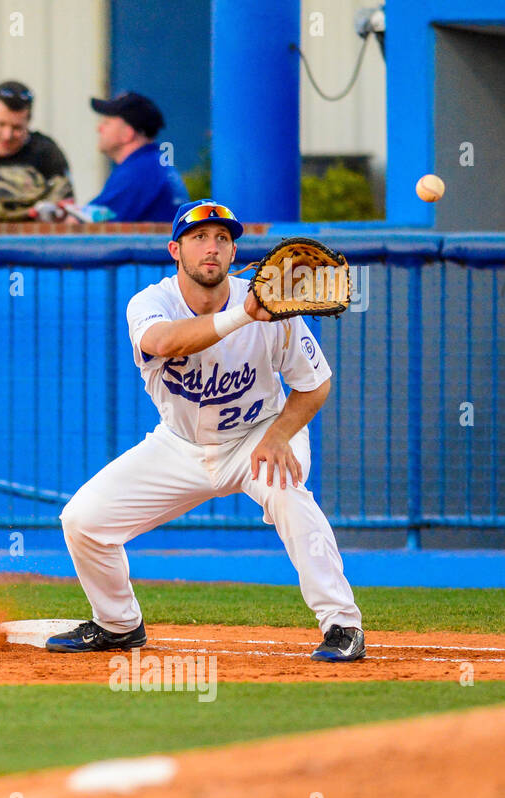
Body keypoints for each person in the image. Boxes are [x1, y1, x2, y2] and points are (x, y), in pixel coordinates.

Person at [48, 199, 365, 662]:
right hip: (179, 446)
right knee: (82, 521)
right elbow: (163, 342)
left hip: (257, 436)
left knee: (289, 494)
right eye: (199, 238)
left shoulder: (273, 308)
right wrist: (244, 315)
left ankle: (342, 624)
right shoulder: (151, 302)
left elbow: (315, 384)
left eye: (223, 238)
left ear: (234, 252)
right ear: (175, 249)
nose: (212, 247)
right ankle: (118, 624)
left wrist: (280, 436)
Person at [73, 92, 188, 223]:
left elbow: (88, 223)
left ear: (127, 134)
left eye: (107, 122)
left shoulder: (140, 171)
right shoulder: (151, 164)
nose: (98, 128)